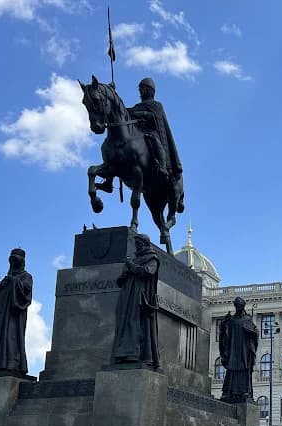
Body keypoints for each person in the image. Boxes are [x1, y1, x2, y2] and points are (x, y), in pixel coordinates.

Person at [128, 77, 184, 210]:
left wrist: (143, 114)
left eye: (142, 89)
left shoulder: (157, 105)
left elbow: (156, 119)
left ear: (149, 90)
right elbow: (126, 112)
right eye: (140, 89)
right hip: (139, 136)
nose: (140, 92)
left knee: (155, 142)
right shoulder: (137, 107)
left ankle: (163, 167)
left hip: (153, 134)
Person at [0, 248, 33, 376]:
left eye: (16, 260)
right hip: (0, 316)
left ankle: (11, 364)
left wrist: (13, 282)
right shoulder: (6, 278)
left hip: (13, 316)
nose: (14, 262)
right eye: (12, 260)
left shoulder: (26, 277)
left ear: (22, 261)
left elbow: (25, 295)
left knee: (11, 339)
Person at [111, 234, 160, 368]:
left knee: (136, 326)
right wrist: (124, 274)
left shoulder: (152, 258)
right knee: (125, 326)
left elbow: (146, 272)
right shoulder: (133, 260)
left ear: (145, 244)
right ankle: (123, 354)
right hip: (127, 299)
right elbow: (119, 281)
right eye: (136, 244)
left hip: (140, 299)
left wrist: (131, 265)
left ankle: (136, 355)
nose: (137, 246)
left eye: (139, 244)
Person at [218, 297, 259, 403]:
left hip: (244, 350)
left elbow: (255, 333)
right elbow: (224, 335)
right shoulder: (231, 320)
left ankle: (245, 391)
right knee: (231, 370)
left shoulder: (247, 319)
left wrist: (251, 332)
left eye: (240, 306)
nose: (238, 308)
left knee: (243, 369)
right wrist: (223, 325)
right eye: (237, 306)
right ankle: (228, 392)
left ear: (243, 307)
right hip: (232, 349)